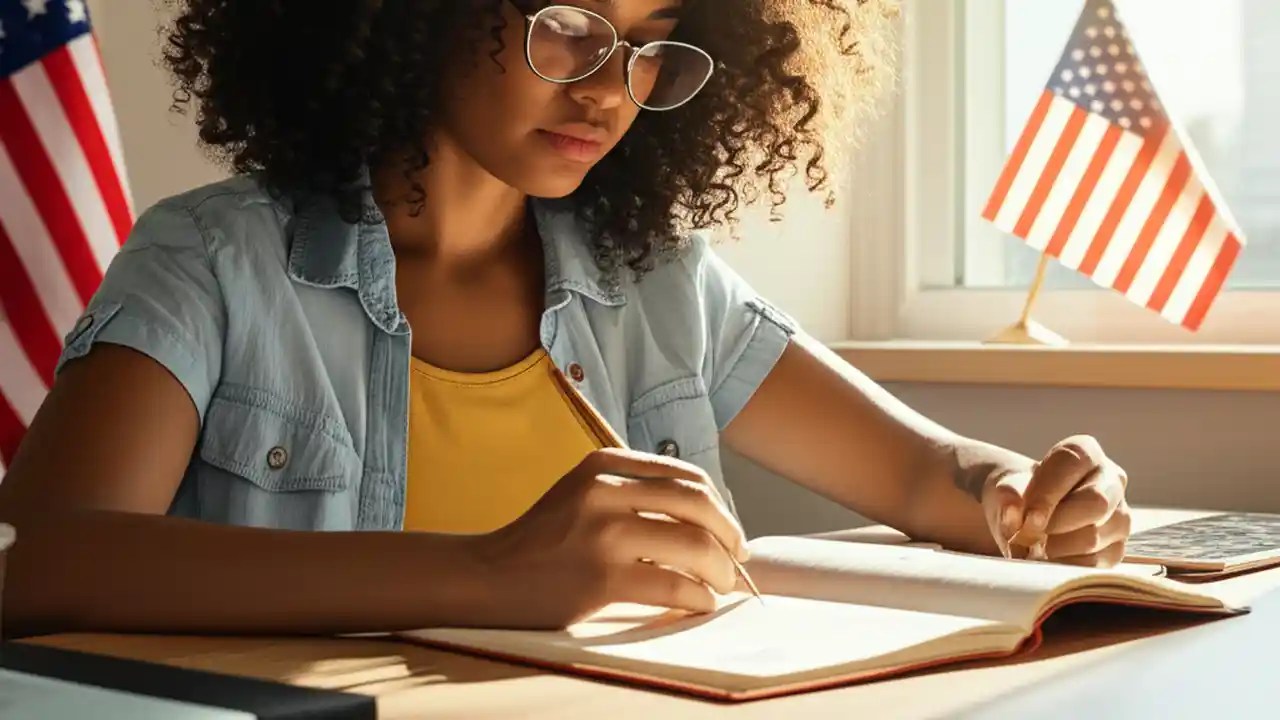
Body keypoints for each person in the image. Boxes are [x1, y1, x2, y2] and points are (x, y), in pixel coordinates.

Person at [0, 0, 1130, 640]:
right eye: (571, 27)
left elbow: (926, 474)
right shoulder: (215, 260)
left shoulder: (657, 277)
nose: (606, 89)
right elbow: (42, 563)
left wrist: (1018, 491)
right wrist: (489, 573)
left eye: (646, 47)